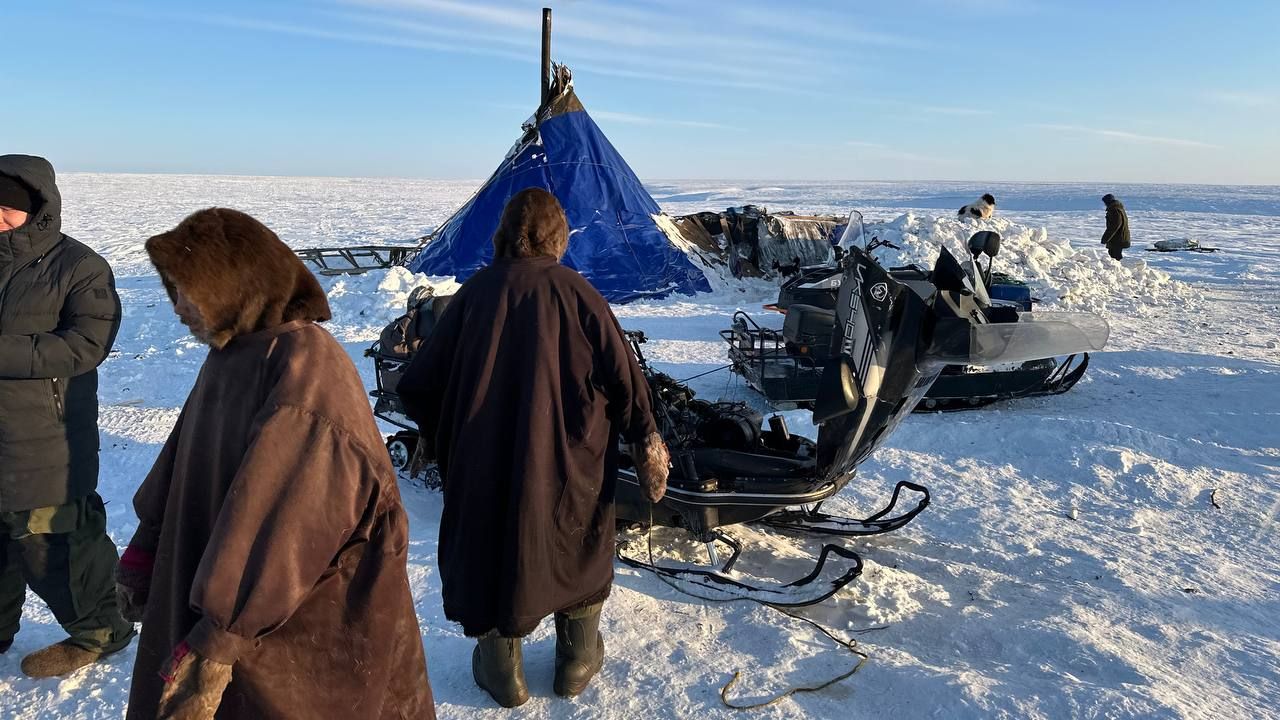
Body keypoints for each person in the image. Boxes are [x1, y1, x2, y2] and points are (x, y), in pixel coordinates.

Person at [115, 208, 434, 719]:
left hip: (293, 620)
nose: (178, 308)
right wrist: (147, 547)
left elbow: (288, 524)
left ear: (235, 285)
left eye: (188, 291)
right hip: (229, 590)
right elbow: (182, 461)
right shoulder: (232, 356)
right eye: (173, 290)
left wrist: (218, 641)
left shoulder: (305, 372)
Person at [397, 188, 670, 708]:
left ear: (503, 235)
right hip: (570, 461)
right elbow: (627, 379)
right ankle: (577, 661)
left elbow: (419, 384)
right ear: (557, 237)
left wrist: (438, 433)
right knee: (578, 541)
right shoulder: (579, 293)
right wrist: (644, 440)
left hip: (483, 464)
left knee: (489, 549)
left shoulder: (473, 295)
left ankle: (502, 672)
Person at [0, 154, 135, 678]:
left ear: (37, 209)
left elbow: (86, 345)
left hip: (43, 438)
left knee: (54, 547)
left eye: (7, 208)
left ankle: (104, 630)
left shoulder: (79, 266)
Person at [1100, 193, 1131, 260]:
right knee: (1114, 255)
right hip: (1119, 238)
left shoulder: (1114, 210)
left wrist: (1105, 238)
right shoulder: (1118, 208)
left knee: (1115, 257)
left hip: (1118, 239)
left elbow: (1114, 226)